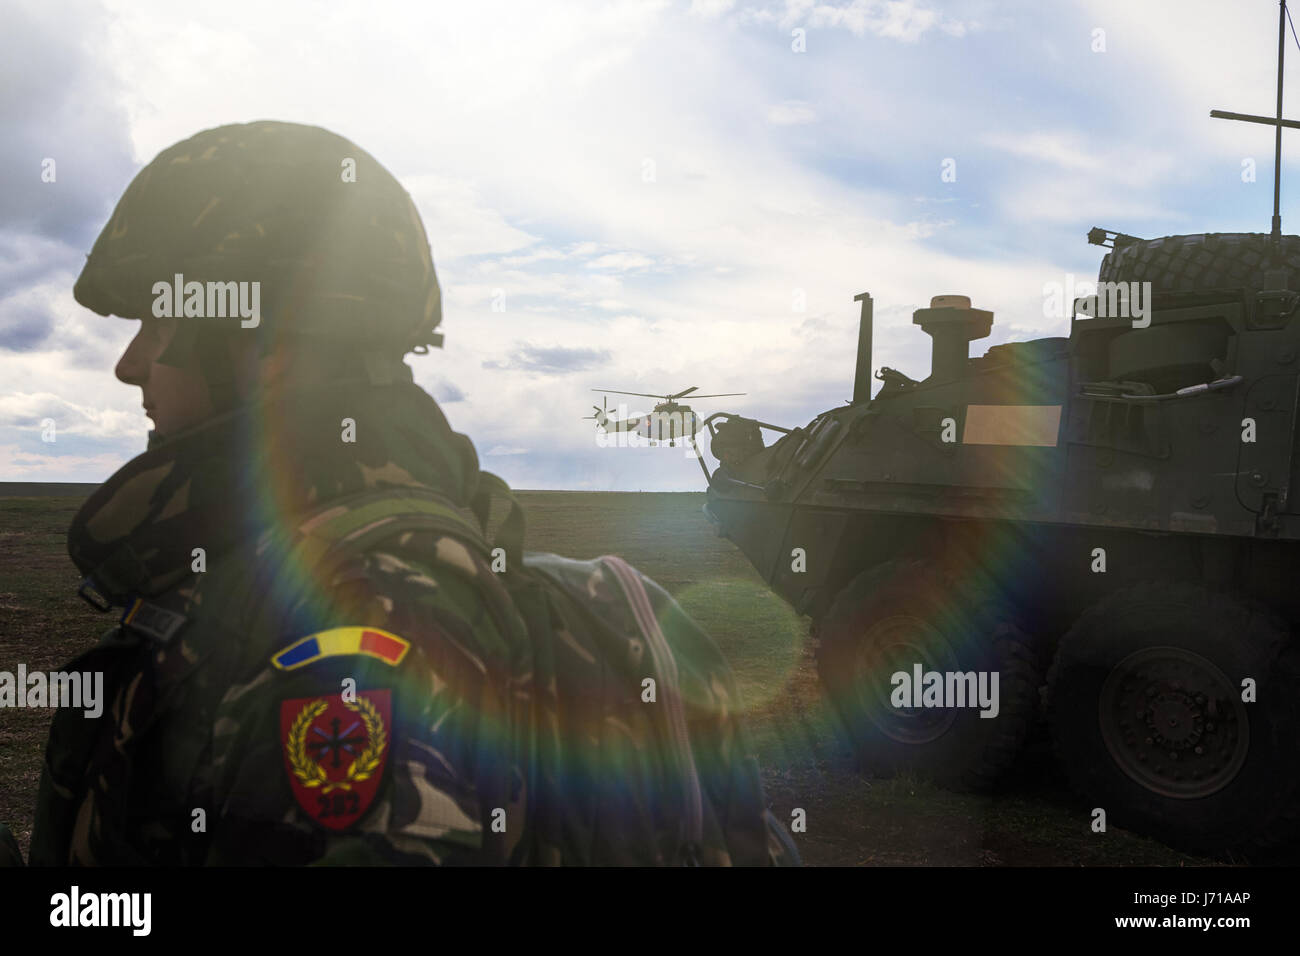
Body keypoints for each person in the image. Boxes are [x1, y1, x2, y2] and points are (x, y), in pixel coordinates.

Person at [23, 121, 798, 866]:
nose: (129, 364)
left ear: (266, 346)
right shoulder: (277, 566)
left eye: (158, 324)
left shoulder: (364, 610)